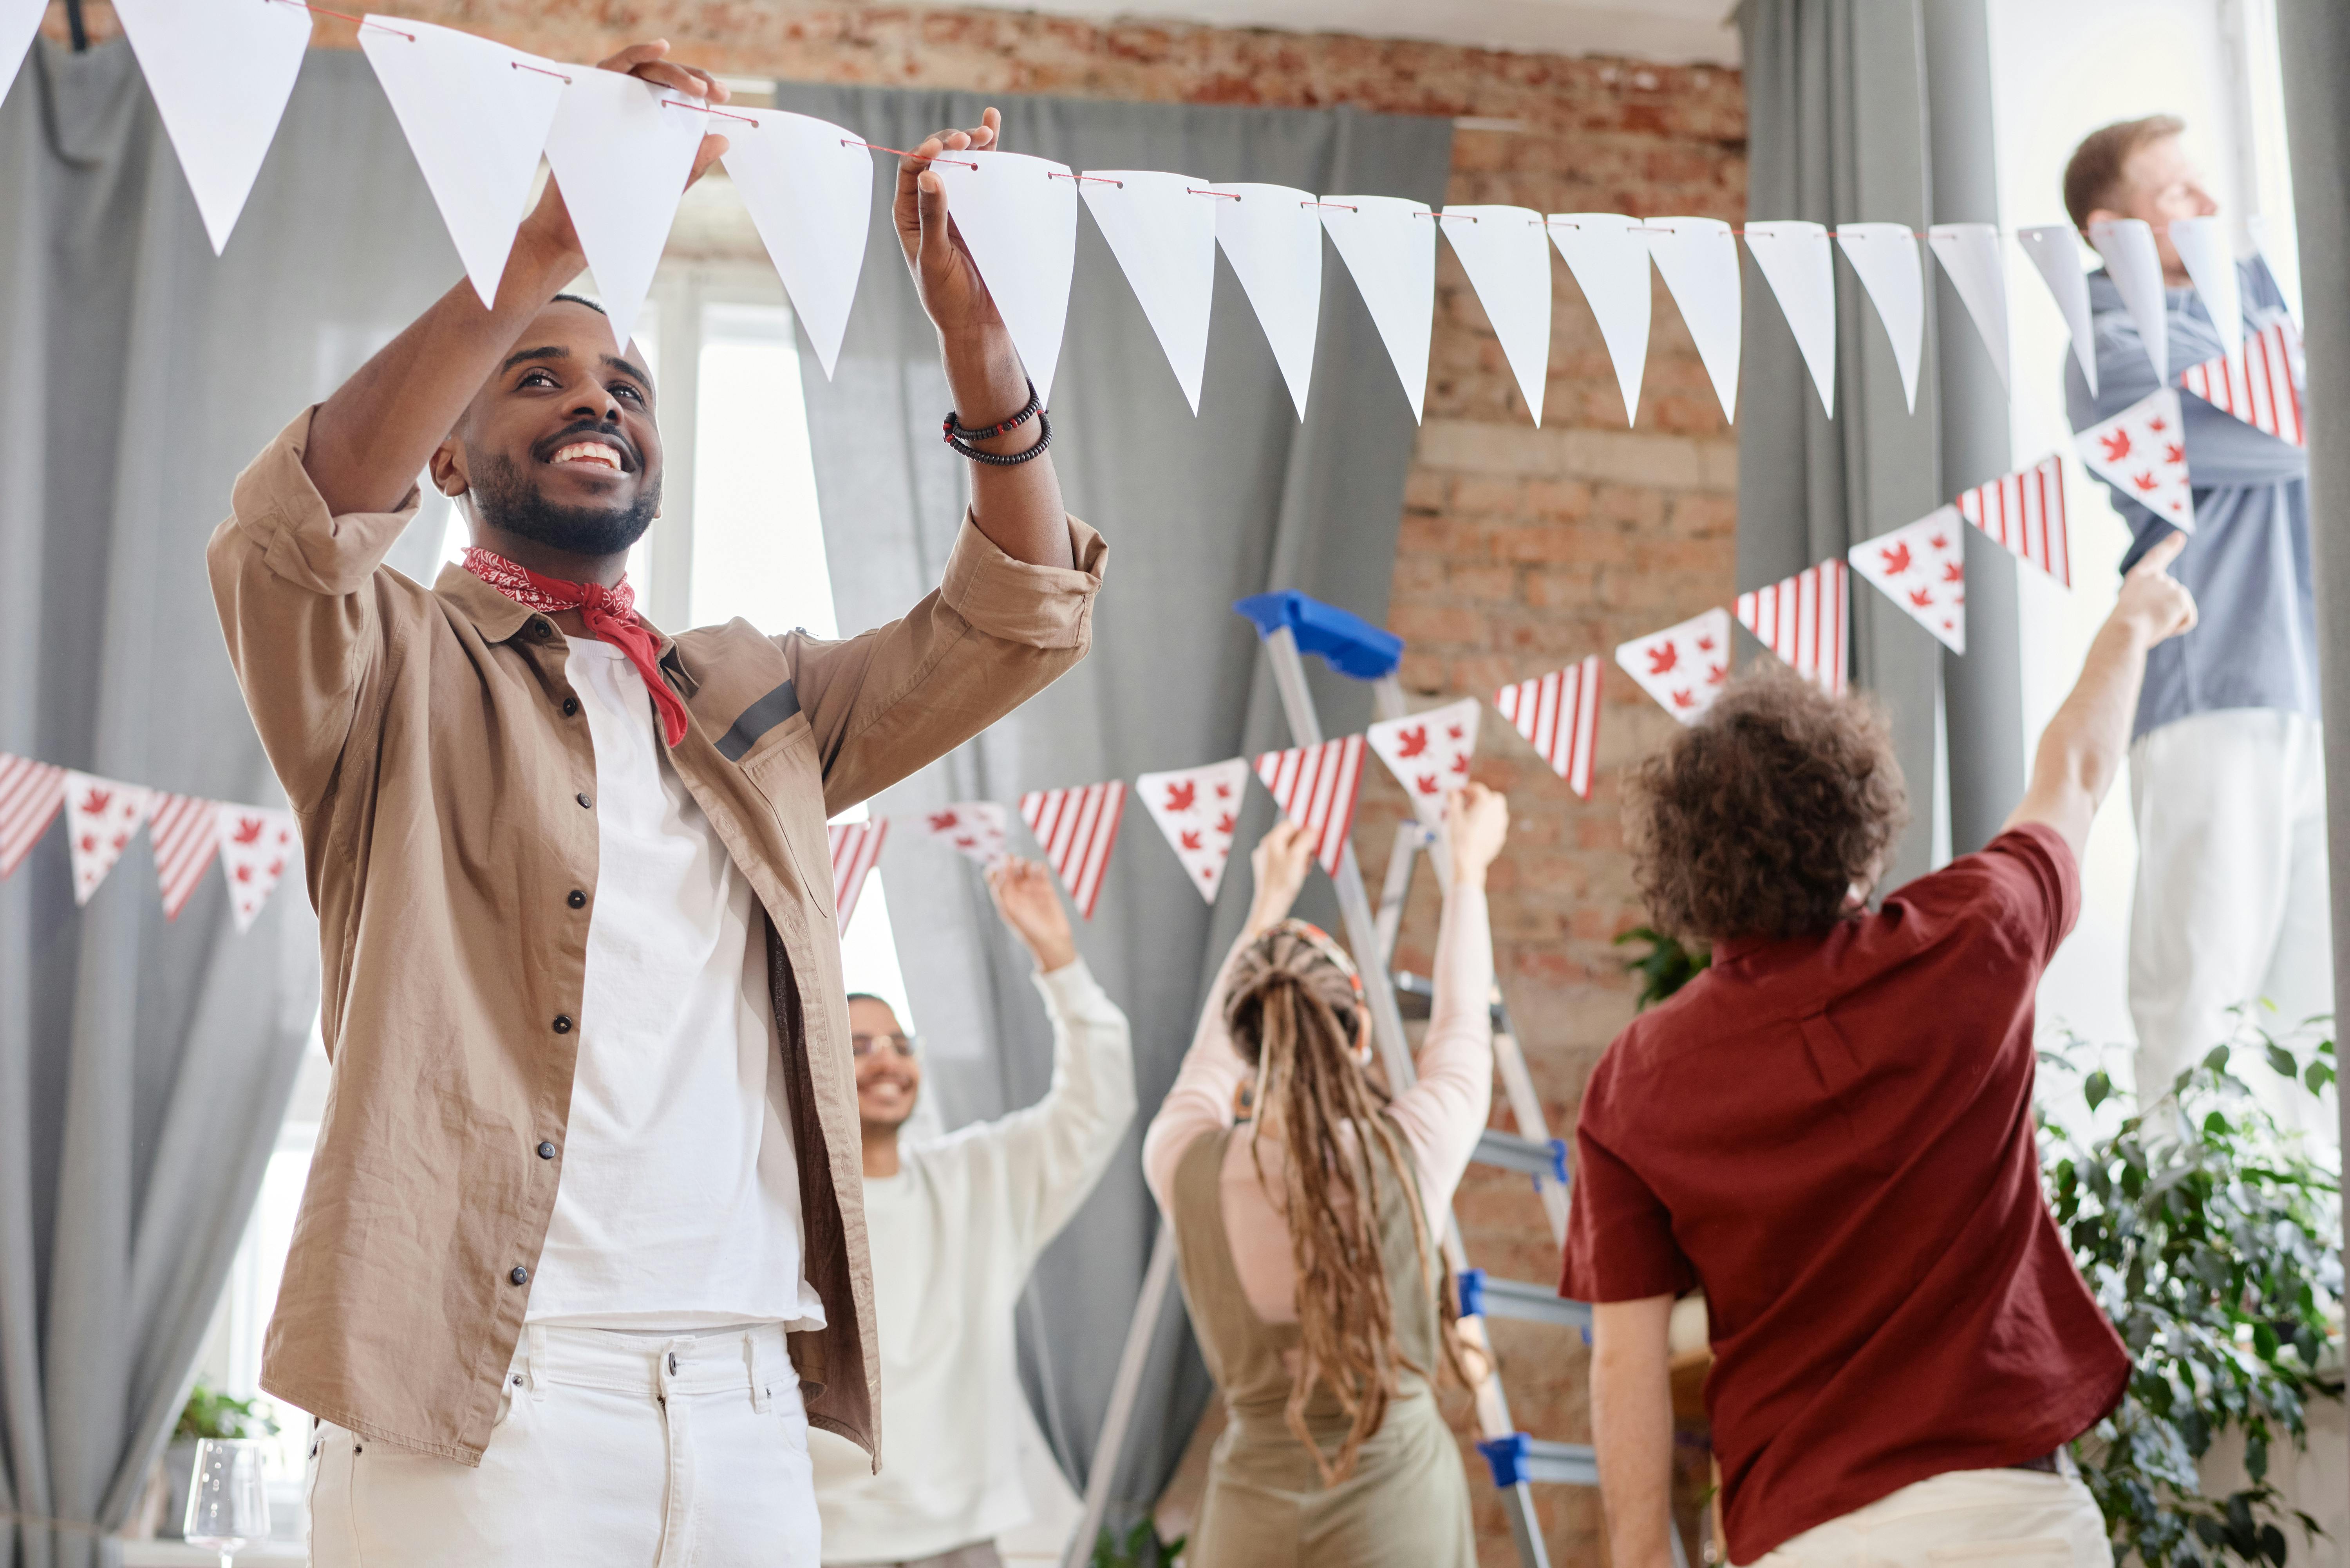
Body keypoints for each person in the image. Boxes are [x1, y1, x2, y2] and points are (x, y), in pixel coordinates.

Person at [207, 39, 1106, 1567]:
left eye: (625, 380)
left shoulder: (752, 693)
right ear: (449, 446)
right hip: (482, 1406)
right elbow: (294, 535)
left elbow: (1014, 619)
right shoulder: (390, 667)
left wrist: (981, 356)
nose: (592, 398)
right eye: (536, 374)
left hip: (749, 1411)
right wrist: (550, 242)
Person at [1567, 537, 2199, 1568]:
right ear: (1861, 830)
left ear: (1686, 868)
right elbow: (2077, 772)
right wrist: (2131, 622)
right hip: (2017, 1526)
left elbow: (1625, 1358)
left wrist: (1641, 1559)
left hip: (1806, 1537)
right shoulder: (1974, 934)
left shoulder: (1635, 1080)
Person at [1142, 786, 1509, 1568]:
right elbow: (1461, 1028)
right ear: (1363, 1032)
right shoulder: (1410, 1148)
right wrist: (1467, 873)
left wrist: (1267, 899)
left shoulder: (1182, 1159)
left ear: (1245, 1043)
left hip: (1251, 1517)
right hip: (1396, 1503)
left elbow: (1201, 1065)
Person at [2061, 115, 2329, 1127]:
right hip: (2211, 678)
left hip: (2317, 690)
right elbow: (2304, 428)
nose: (2211, 206)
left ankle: (2310, 1269)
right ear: (2110, 228)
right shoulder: (2108, 349)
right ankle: (2190, 1267)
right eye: (2178, 194)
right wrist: (2299, 384)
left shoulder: (2261, 314)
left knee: (2317, 1015)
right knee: (2199, 993)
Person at [809, 856, 1137, 1568]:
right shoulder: (786, 1204)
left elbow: (1099, 1104)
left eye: (901, 1043)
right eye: (859, 1046)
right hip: (823, 1542)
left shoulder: (977, 1180)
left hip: (962, 1542)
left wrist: (1059, 961)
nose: (887, 1061)